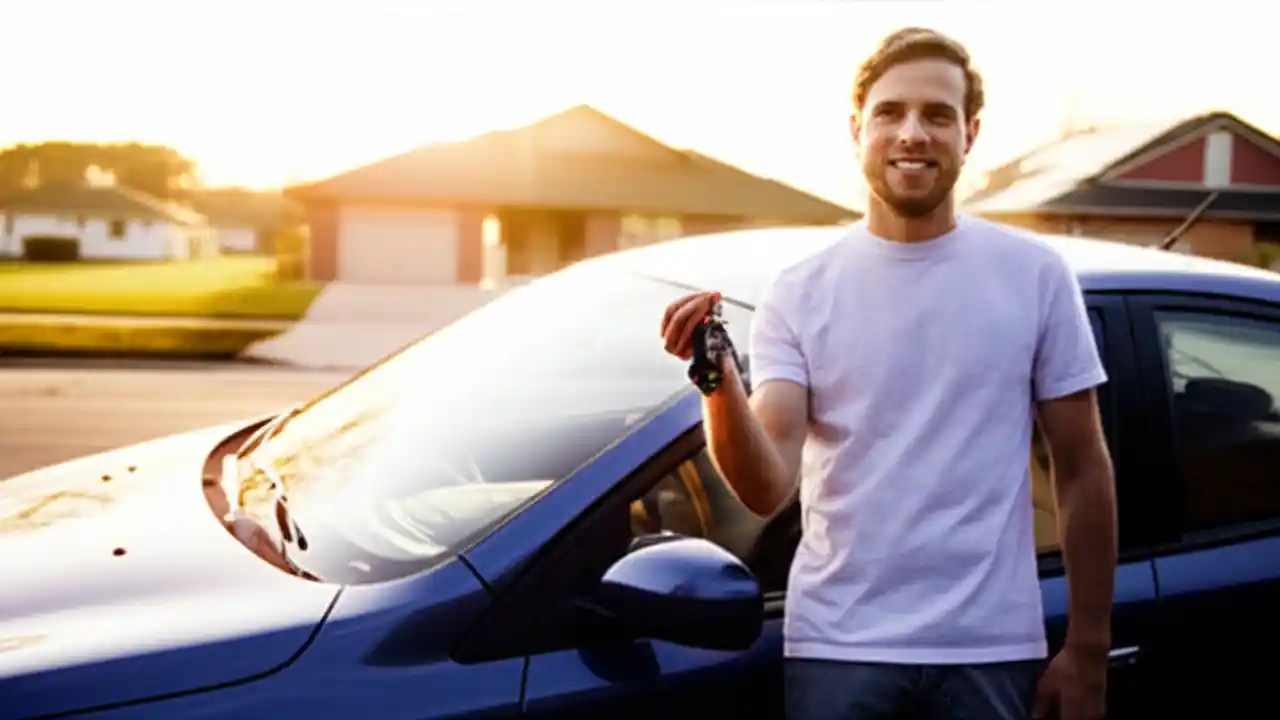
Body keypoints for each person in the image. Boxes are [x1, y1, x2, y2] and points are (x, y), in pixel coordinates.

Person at [659, 27, 1117, 720]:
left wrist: (1087, 650)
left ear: (970, 133)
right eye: (891, 112)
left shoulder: (1035, 278)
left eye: (937, 115)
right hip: (839, 650)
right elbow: (765, 482)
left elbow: (1082, 470)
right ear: (857, 129)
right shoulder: (800, 291)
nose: (913, 133)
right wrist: (715, 376)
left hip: (989, 647)